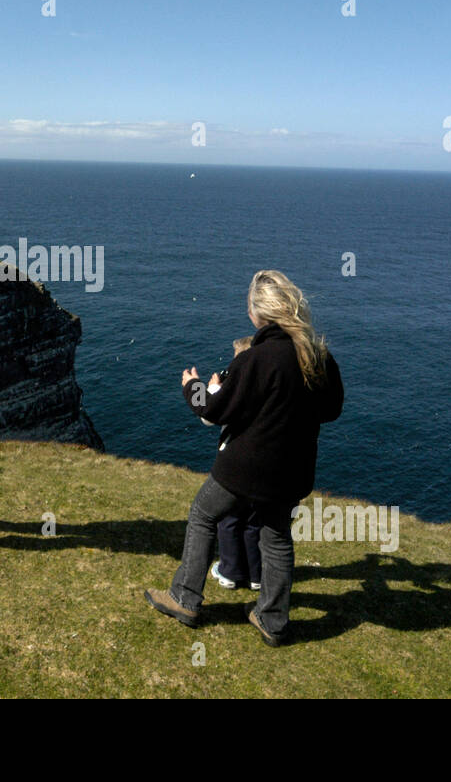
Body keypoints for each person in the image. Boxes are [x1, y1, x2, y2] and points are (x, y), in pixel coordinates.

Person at [145, 270, 344, 646]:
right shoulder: (318, 354)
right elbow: (332, 408)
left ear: (259, 314)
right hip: (293, 469)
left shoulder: (259, 356)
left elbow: (218, 408)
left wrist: (192, 388)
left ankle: (184, 598)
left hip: (248, 467)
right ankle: (273, 620)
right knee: (277, 536)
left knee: (203, 513)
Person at [206, 336, 264, 592]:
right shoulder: (270, 386)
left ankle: (229, 571)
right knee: (254, 522)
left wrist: (205, 388)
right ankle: (255, 575)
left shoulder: (235, 386)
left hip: (235, 464)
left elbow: (208, 415)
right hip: (265, 466)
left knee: (228, 518)